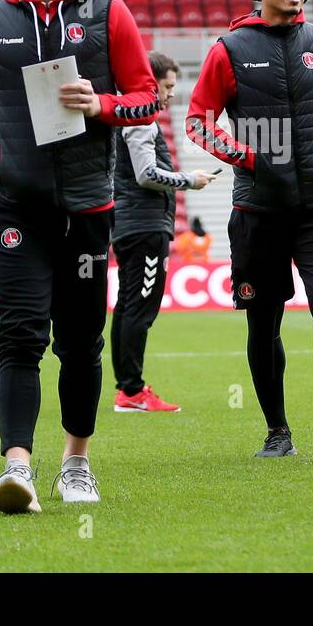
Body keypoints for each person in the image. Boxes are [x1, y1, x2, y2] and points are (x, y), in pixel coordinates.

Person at [0, 0, 161, 514]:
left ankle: (76, 462)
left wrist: (100, 104)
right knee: (18, 337)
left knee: (79, 343)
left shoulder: (109, 13)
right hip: (15, 211)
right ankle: (16, 467)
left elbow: (147, 99)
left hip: (88, 212)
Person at [186, 0, 313, 461]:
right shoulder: (229, 49)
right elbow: (198, 120)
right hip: (258, 212)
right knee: (262, 321)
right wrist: (247, 157)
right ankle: (277, 432)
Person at [110, 50, 217, 413]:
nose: (170, 94)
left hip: (129, 224)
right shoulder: (141, 118)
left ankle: (128, 388)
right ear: (150, 82)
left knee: (128, 307)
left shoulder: (125, 114)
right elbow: (146, 174)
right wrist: (191, 180)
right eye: (167, 86)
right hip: (144, 225)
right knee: (139, 308)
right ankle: (132, 391)